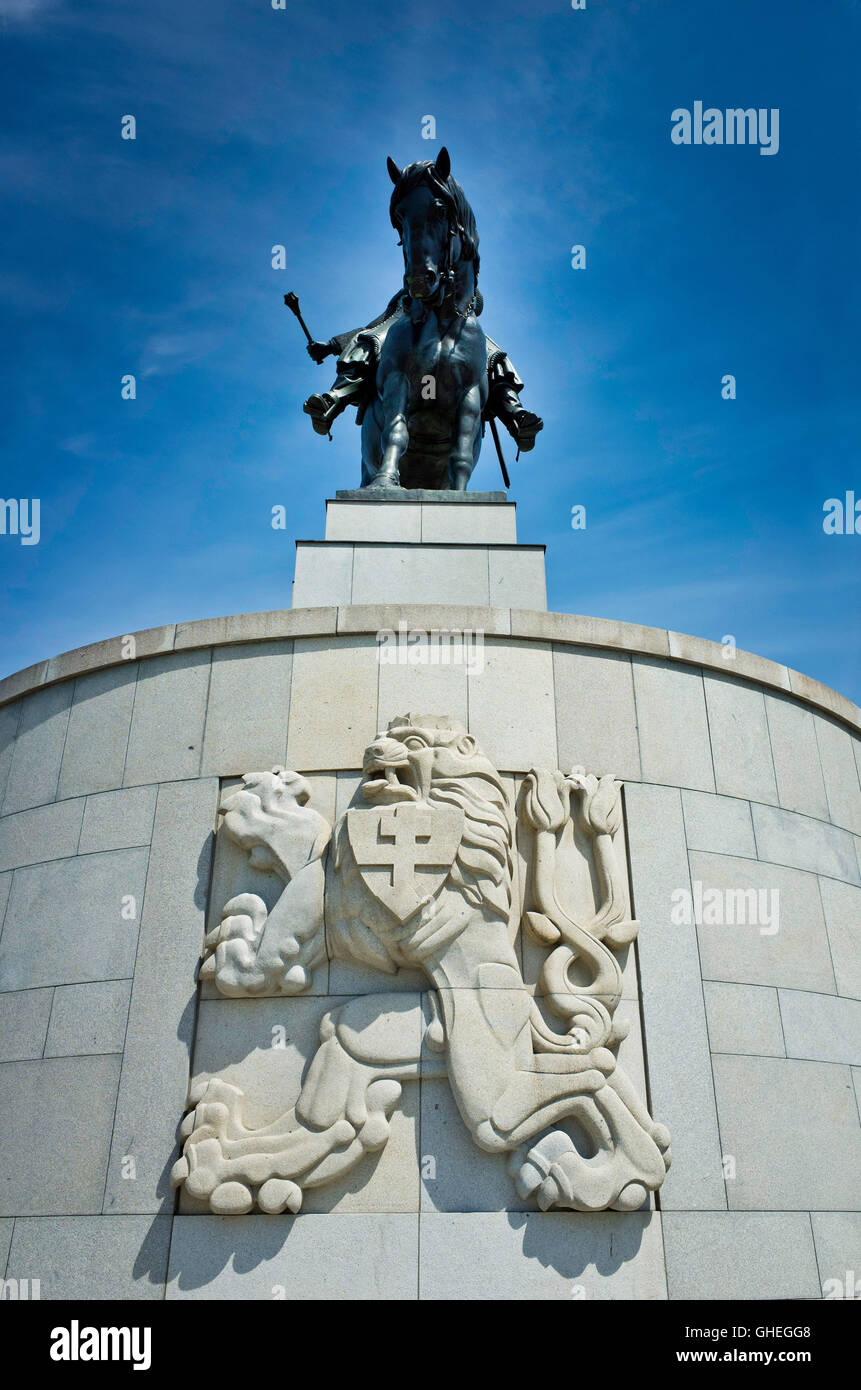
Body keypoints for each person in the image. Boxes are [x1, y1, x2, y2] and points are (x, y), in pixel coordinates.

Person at [302, 291, 542, 453]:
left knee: (494, 356)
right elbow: (376, 323)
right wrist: (333, 345)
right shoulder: (411, 275)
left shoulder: (461, 250)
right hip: (408, 322)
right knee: (368, 340)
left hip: (457, 325)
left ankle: (515, 417)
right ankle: (334, 401)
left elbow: (477, 303)